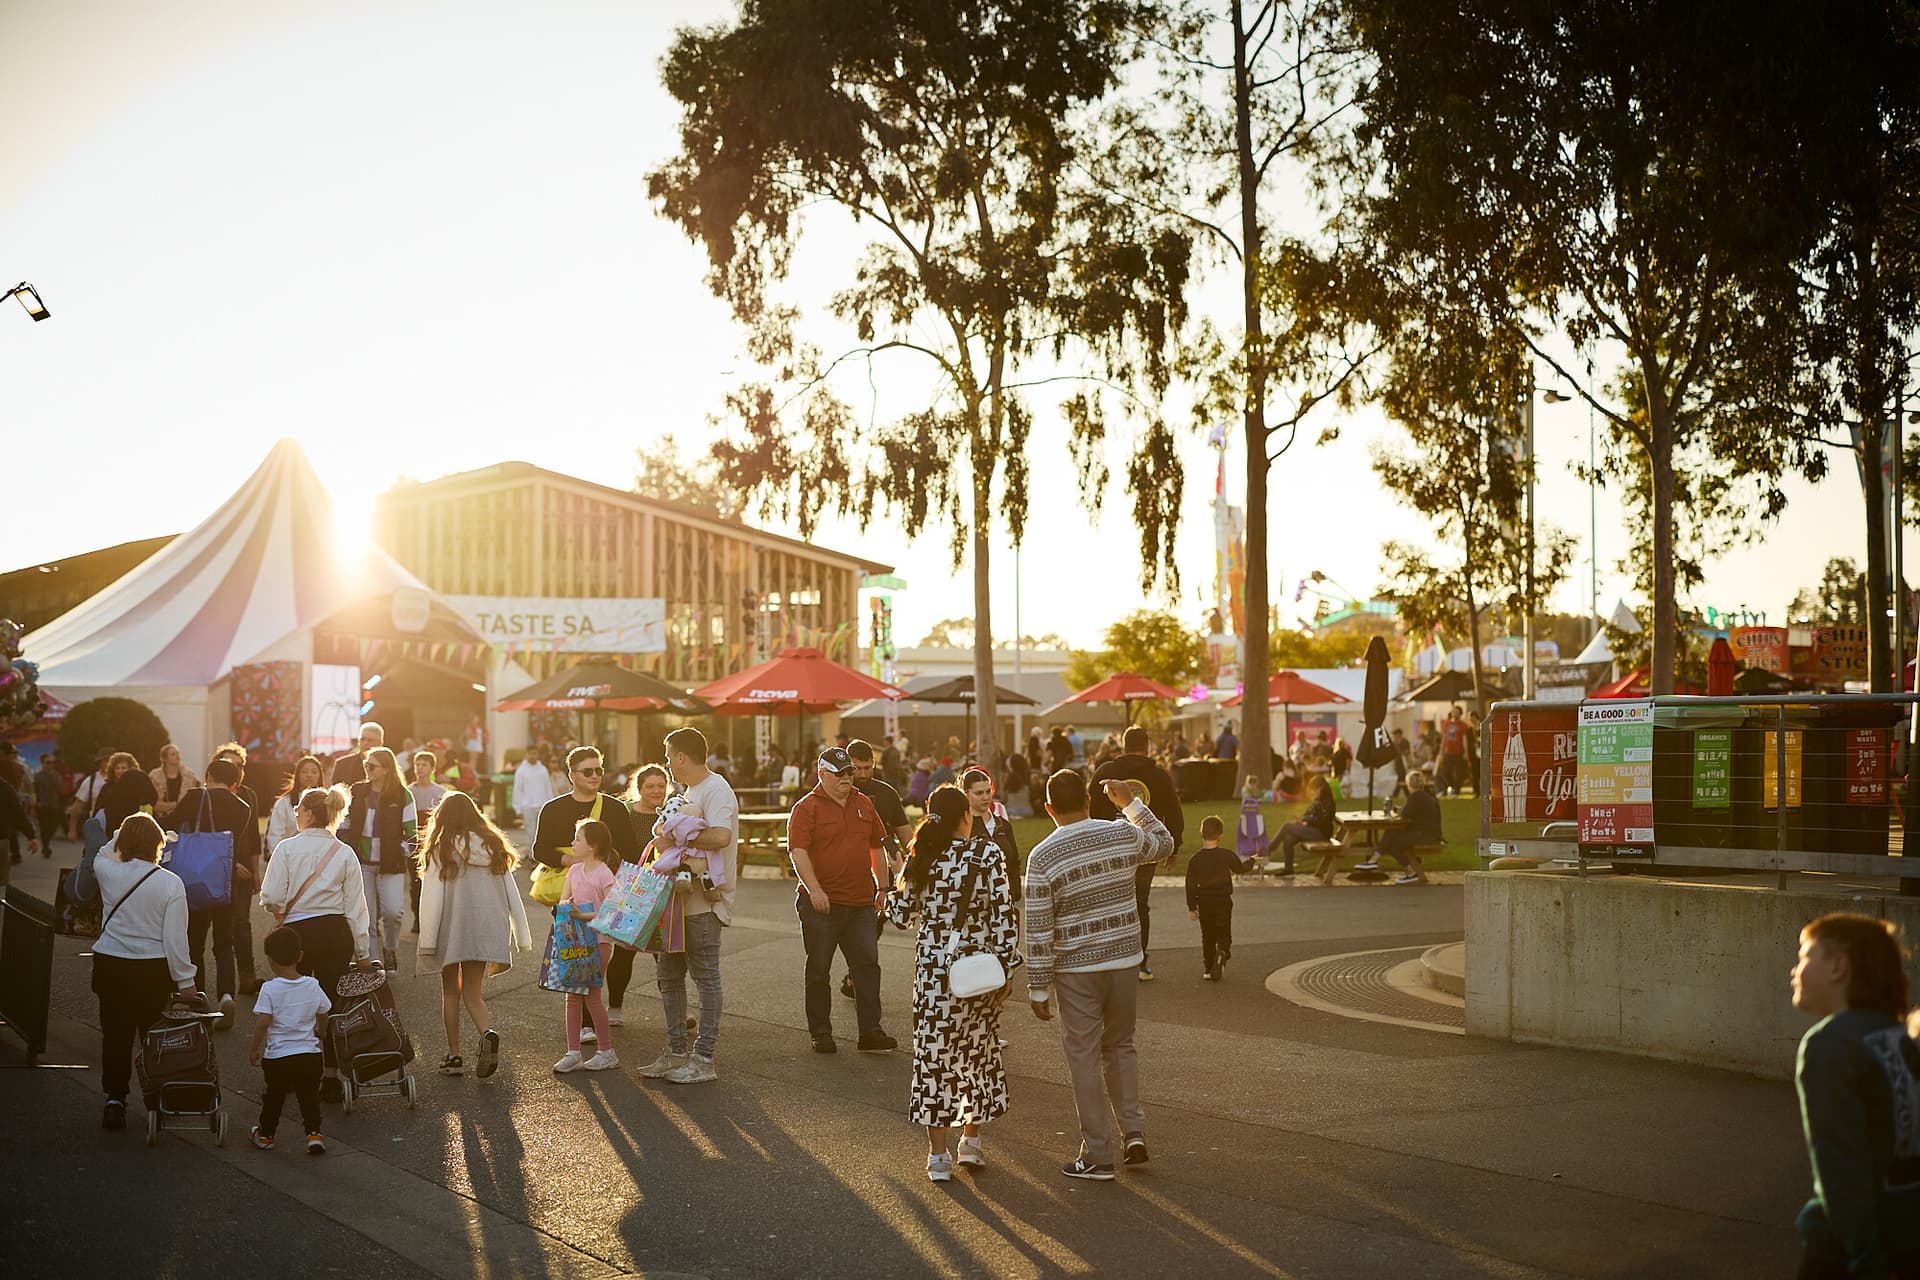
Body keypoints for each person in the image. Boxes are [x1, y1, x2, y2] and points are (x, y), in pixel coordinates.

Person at [1025, 771, 1173, 1180]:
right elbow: (1164, 843)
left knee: (1084, 1058)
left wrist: (1038, 987)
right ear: (1089, 803)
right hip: (1124, 958)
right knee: (1121, 1045)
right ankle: (1135, 1131)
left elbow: (1038, 926)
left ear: (1049, 808)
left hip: (1076, 969)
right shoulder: (1122, 834)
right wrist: (1130, 804)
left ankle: (1097, 1152)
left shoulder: (1043, 855)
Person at [884, 785, 1022, 1182]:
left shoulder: (920, 857)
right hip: (978, 970)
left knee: (934, 1059)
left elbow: (900, 916)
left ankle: (938, 1156)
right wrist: (1008, 968)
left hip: (934, 973)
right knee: (976, 1053)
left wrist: (895, 877)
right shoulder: (987, 854)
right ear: (966, 815)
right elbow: (1003, 916)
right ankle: (971, 1142)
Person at [1788, 914, 1920, 1278]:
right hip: (1908, 1240)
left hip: (1847, 1253)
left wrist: (1866, 1260)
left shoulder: (1830, 1044)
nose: (1795, 970)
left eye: (1804, 956)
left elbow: (1841, 1170)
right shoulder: (1898, 1036)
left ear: (1838, 967)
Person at [636, 727, 738, 1085]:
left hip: (704, 903)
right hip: (677, 901)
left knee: (705, 977)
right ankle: (676, 1051)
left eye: (668, 757)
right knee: (669, 976)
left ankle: (703, 1057)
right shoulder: (691, 792)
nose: (666, 764)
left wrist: (680, 835)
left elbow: (721, 836)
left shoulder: (716, 789)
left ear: (681, 757)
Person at [258, 787, 370, 1104]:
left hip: (297, 934)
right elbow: (356, 909)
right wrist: (363, 953)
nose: (296, 815)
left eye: (298, 810)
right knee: (330, 1004)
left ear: (308, 813)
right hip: (336, 933)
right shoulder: (344, 852)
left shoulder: (286, 849)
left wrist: (280, 911)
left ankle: (293, 1071)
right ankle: (331, 1075)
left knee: (294, 1002)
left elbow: (271, 896)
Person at [90, 812, 196, 1130]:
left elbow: (102, 851)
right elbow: (175, 937)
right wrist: (186, 980)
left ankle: (115, 1099)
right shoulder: (170, 883)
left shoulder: (107, 871)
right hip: (153, 969)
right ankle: (156, 1099)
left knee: (116, 1035)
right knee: (153, 1036)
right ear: (157, 845)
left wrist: (122, 830)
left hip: (111, 963)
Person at [787, 746, 897, 1055]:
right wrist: (814, 889)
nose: (847, 778)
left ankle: (870, 1032)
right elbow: (798, 851)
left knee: (867, 966)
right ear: (822, 775)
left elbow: (877, 845)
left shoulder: (863, 803)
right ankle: (821, 1032)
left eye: (850, 772)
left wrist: (883, 887)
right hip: (822, 903)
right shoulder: (806, 808)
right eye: (840, 774)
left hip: (861, 901)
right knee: (819, 968)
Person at [416, 790, 530, 1078]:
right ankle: (486, 1032)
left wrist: (427, 941)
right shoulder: (493, 846)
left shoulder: (441, 849)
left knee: (450, 992)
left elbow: (431, 898)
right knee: (473, 993)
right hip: (487, 927)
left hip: (451, 929)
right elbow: (511, 893)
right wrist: (521, 934)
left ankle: (454, 1057)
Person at [159, 757, 261, 1028]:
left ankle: (199, 1004)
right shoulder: (242, 806)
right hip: (223, 880)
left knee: (195, 943)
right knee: (224, 943)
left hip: (193, 880)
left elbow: (168, 823)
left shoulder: (194, 798)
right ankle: (226, 993)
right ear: (234, 783)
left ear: (208, 775)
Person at [1088, 726, 1184, 983]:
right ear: (1148, 747)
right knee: (1140, 904)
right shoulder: (1159, 776)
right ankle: (1140, 961)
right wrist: (1173, 847)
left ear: (1122, 745)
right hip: (1145, 849)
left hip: (1108, 850)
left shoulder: (1105, 772)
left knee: (1107, 902)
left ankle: (1109, 959)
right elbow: (1174, 814)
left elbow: (1091, 809)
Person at [838, 739, 915, 998]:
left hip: (885, 870)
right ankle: (855, 976)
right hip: (848, 872)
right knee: (859, 930)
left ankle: (855, 977)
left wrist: (916, 859)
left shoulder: (886, 793)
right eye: (857, 768)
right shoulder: (839, 792)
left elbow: (907, 835)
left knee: (872, 928)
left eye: (867, 767)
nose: (862, 774)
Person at [247, 925, 333, 1155]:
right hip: (309, 1055)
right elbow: (324, 1014)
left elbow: (263, 1023)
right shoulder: (312, 986)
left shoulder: (269, 989)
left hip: (278, 1057)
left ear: (270, 960)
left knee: (274, 1097)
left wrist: (255, 1048)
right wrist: (321, 1031)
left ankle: (266, 1134)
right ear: (301, 956)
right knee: (309, 1097)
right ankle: (314, 1134)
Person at [552, 818, 620, 1073]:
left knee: (591, 996)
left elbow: (614, 913)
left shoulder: (604, 874)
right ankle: (573, 1052)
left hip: (599, 942)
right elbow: (563, 901)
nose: (572, 843)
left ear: (592, 845)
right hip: (574, 940)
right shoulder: (574, 871)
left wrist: (585, 914)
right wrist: (567, 907)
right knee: (572, 996)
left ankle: (606, 1051)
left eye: (577, 839)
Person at [345, 746, 416, 970]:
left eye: (372, 766)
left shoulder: (402, 794)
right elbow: (344, 825)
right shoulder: (358, 791)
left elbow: (413, 835)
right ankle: (374, 962)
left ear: (386, 769)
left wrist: (398, 851)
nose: (367, 769)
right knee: (367, 916)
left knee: (393, 913)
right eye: (366, 765)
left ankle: (390, 949)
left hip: (390, 864)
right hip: (362, 863)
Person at [613, 763, 671, 1026]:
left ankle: (674, 1010)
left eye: (661, 785)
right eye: (650, 786)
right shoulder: (624, 814)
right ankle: (614, 1008)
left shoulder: (673, 813)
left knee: (666, 954)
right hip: (631, 889)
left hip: (664, 890)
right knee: (624, 951)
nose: (656, 791)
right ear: (639, 789)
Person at [208, 741, 265, 993]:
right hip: (212, 870)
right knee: (217, 928)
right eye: (229, 764)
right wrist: (233, 866)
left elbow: (254, 838)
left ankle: (247, 977)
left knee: (242, 923)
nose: (235, 769)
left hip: (243, 871)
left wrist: (255, 872)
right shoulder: (205, 796)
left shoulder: (248, 795)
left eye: (239, 765)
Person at [1186, 816, 1259, 981]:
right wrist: (1252, 860)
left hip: (1204, 902)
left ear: (1201, 834)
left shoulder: (1195, 860)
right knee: (1223, 930)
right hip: (1223, 901)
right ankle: (1223, 952)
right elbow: (1240, 869)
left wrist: (1192, 906)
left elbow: (1190, 885)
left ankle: (1208, 967)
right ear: (1220, 835)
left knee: (1208, 935)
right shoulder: (1226, 855)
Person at [1354, 769, 1441, 884]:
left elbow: (1404, 814)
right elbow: (1412, 812)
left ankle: (1406, 871)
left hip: (1424, 836)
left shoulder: (1415, 797)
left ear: (1409, 785)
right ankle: (1375, 861)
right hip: (1431, 834)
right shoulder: (1426, 796)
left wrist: (1400, 810)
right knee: (1392, 835)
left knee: (1392, 841)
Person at [961, 767, 1022, 904]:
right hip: (975, 906)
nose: (986, 797)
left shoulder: (1003, 825)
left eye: (988, 791)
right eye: (979, 793)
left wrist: (1014, 892)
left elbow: (1013, 861)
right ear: (966, 794)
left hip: (1005, 902)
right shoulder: (962, 828)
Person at [406, 749, 449, 933]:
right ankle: (417, 916)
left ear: (432, 768)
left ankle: (435, 918)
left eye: (424, 765)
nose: (420, 768)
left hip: (434, 842)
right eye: (417, 764)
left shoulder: (440, 792)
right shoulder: (408, 791)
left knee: (435, 881)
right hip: (414, 842)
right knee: (415, 882)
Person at [1270, 774, 1336, 879]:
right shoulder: (1317, 801)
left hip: (1321, 833)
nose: (1312, 793)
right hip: (1312, 829)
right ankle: (1289, 869)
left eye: (1314, 790)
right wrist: (1302, 821)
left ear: (1321, 788)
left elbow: (1323, 821)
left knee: (1287, 826)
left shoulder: (1328, 802)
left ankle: (1270, 848)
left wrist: (1308, 822)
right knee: (1288, 839)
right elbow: (1309, 816)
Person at [267, 756, 327, 853]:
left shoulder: (327, 802)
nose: (309, 775)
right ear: (297, 775)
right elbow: (275, 836)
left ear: (320, 775)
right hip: (291, 856)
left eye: (314, 772)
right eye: (304, 771)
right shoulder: (284, 803)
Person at [148, 745, 200, 823]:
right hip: (161, 818)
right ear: (164, 759)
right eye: (173, 754)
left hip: (184, 820)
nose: (177, 756)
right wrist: (177, 805)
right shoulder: (155, 777)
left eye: (177, 753)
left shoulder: (189, 776)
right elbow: (155, 804)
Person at [513, 745, 555, 831]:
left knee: (542, 831)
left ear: (537, 754)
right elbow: (517, 790)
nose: (532, 756)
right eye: (530, 754)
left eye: (534, 753)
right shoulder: (521, 771)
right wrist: (518, 809)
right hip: (527, 807)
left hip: (542, 805)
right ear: (526, 755)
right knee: (530, 832)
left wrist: (551, 804)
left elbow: (548, 788)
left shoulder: (543, 770)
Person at [331, 720, 384, 786]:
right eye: (362, 739)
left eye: (370, 740)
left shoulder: (387, 766)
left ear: (380, 743)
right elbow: (334, 794)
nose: (365, 743)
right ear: (358, 742)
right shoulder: (342, 764)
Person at [34, 753, 63, 855]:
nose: (50, 765)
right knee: (43, 827)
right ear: (42, 763)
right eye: (48, 762)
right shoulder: (38, 776)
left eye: (52, 763)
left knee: (53, 826)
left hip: (54, 805)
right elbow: (35, 791)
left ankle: (47, 840)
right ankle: (45, 847)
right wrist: (36, 803)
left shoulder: (56, 775)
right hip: (42, 806)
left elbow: (59, 788)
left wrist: (52, 777)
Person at [1437, 706, 1470, 796]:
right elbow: (1444, 738)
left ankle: (1457, 790)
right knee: (1446, 772)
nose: (1455, 714)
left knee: (1459, 773)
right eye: (1453, 712)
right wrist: (1441, 751)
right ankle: (1451, 786)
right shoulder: (1446, 724)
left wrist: (1466, 752)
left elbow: (1464, 739)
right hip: (1448, 752)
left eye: (1457, 712)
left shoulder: (1463, 725)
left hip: (1459, 752)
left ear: (1460, 714)